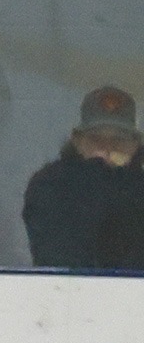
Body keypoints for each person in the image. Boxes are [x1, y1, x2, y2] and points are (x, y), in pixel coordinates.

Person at [23, 85, 144, 270]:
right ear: (77, 141)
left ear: (136, 144)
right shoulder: (51, 184)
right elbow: (57, 256)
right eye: (96, 140)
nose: (107, 149)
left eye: (119, 141)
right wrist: (94, 174)